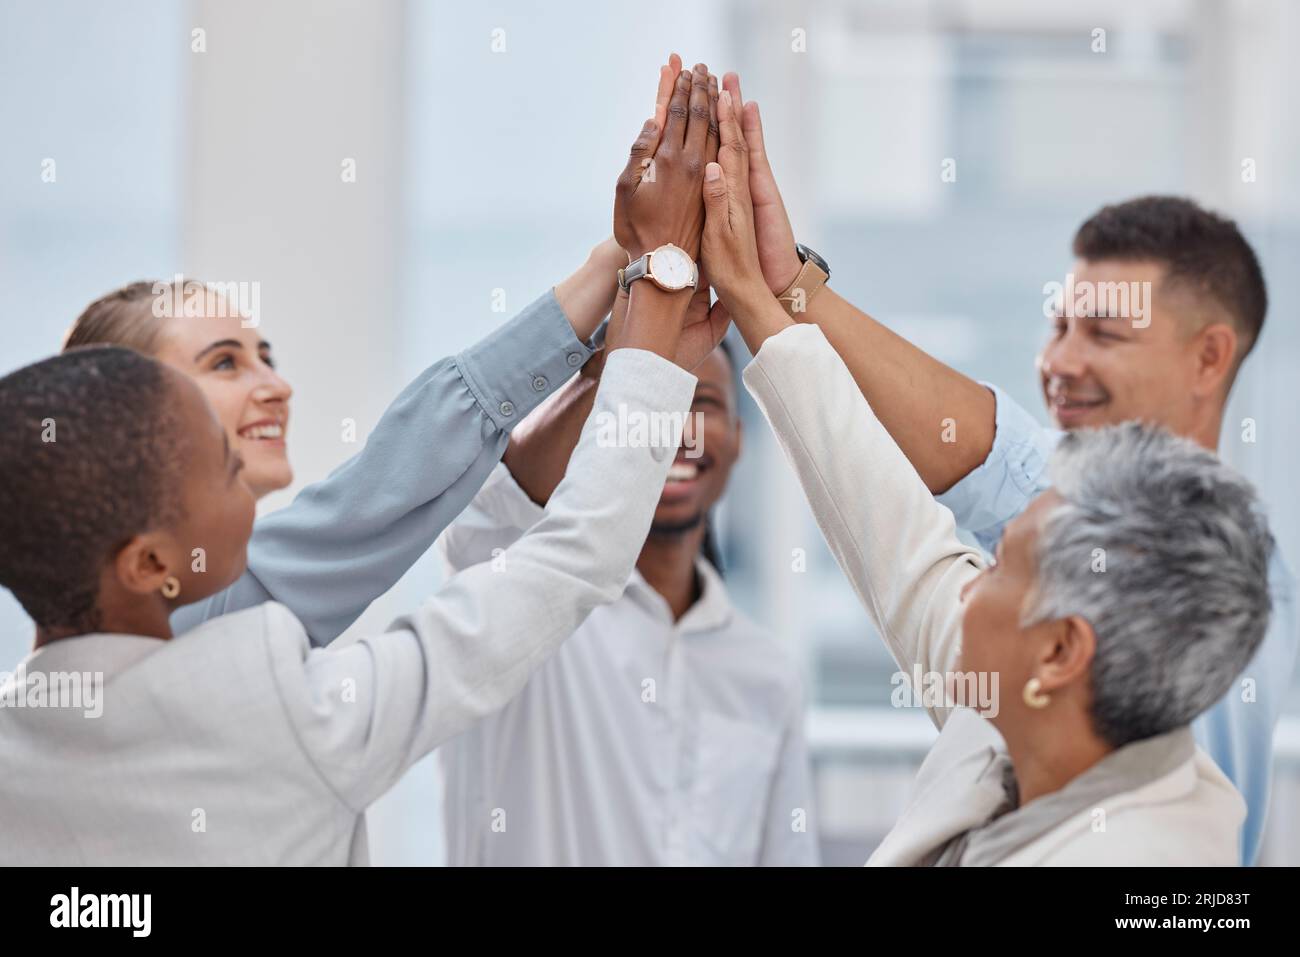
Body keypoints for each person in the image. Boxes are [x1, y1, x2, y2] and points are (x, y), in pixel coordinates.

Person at [0, 66, 716, 865]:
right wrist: (657, 282)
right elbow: (532, 548)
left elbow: (391, 485)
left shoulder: (31, 727)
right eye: (223, 369)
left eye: (263, 355)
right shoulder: (271, 702)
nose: (277, 386)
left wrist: (621, 278)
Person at [706, 68, 1295, 865]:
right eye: (1057, 326)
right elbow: (917, 515)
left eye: (1104, 334)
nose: (1058, 363)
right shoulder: (1050, 637)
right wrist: (775, 292)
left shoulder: (1210, 599)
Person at [438, 333, 817, 866]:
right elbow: (494, 510)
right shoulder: (531, 606)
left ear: (737, 438)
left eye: (702, 406)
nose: (676, 431)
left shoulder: (767, 675)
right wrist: (629, 347)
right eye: (659, 407)